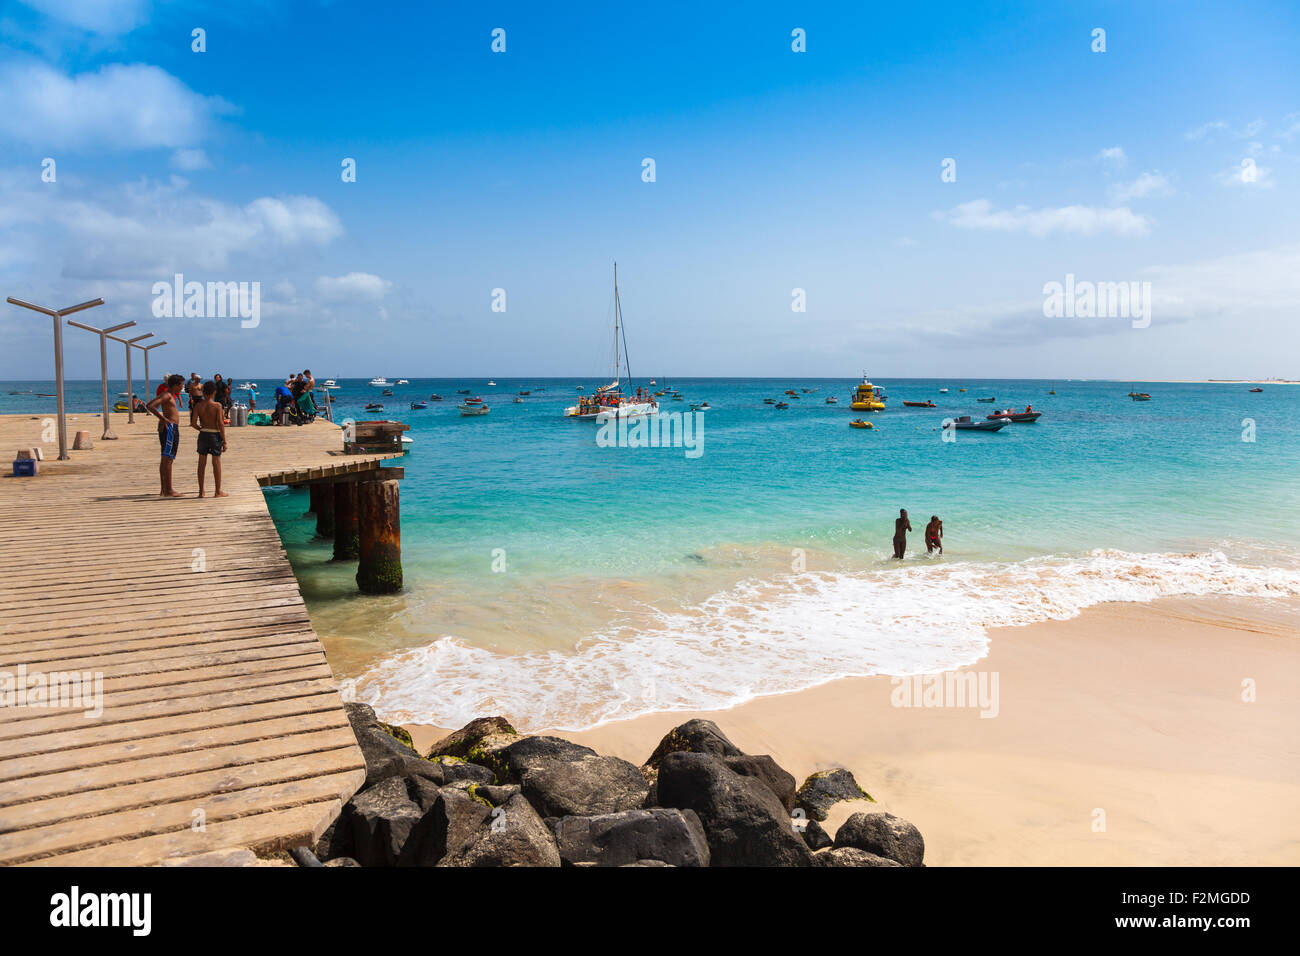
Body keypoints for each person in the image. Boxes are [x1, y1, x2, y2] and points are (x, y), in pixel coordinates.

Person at [145, 374, 186, 497]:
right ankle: (168, 489)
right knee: (168, 458)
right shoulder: (167, 395)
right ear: (176, 385)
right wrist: (163, 418)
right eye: (181, 385)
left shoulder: (170, 395)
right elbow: (150, 406)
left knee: (166, 458)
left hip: (170, 428)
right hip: (170, 429)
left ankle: (164, 489)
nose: (182, 387)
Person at [191, 380, 228, 498]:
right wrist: (224, 441)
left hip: (203, 434)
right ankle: (217, 491)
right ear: (214, 392)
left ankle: (201, 491)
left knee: (201, 463)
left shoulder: (198, 405)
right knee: (216, 463)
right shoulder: (217, 406)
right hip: (214, 434)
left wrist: (201, 429)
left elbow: (193, 423)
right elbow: (220, 424)